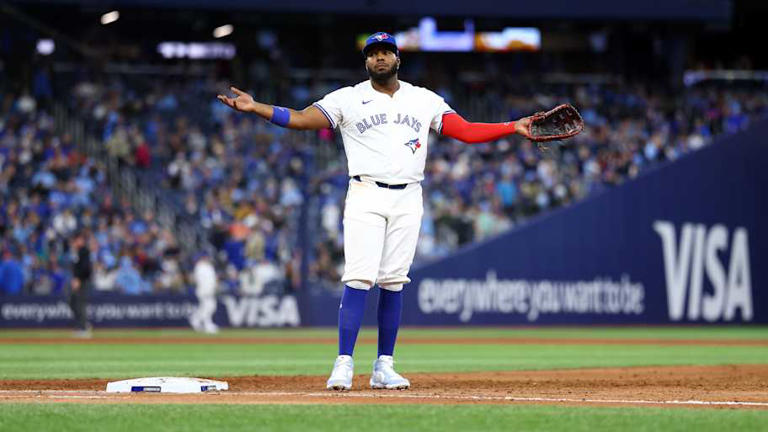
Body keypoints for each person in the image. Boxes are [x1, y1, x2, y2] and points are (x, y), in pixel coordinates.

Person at [217, 32, 536, 391]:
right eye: (373, 54)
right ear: (366, 62)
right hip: (366, 193)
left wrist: (512, 127)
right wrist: (256, 107)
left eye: (386, 52)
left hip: (408, 196)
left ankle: (385, 365)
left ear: (398, 58)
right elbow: (302, 119)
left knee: (394, 281)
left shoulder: (423, 99)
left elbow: (465, 131)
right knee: (358, 278)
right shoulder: (349, 98)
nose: (379, 58)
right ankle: (344, 363)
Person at [69, 230, 93, 337]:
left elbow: (85, 268)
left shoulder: (84, 251)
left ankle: (84, 328)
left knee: (80, 303)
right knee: (73, 301)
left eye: (77, 240)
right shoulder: (78, 251)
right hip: (78, 280)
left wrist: (78, 278)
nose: (75, 242)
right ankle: (82, 325)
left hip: (82, 280)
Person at [189, 252, 219, 334]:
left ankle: (195, 320)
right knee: (209, 306)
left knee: (207, 307)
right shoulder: (199, 267)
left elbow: (213, 279)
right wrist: (207, 289)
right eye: (205, 257)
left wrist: (214, 288)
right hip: (204, 290)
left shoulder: (209, 266)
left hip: (210, 290)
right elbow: (201, 280)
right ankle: (207, 324)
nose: (207, 259)